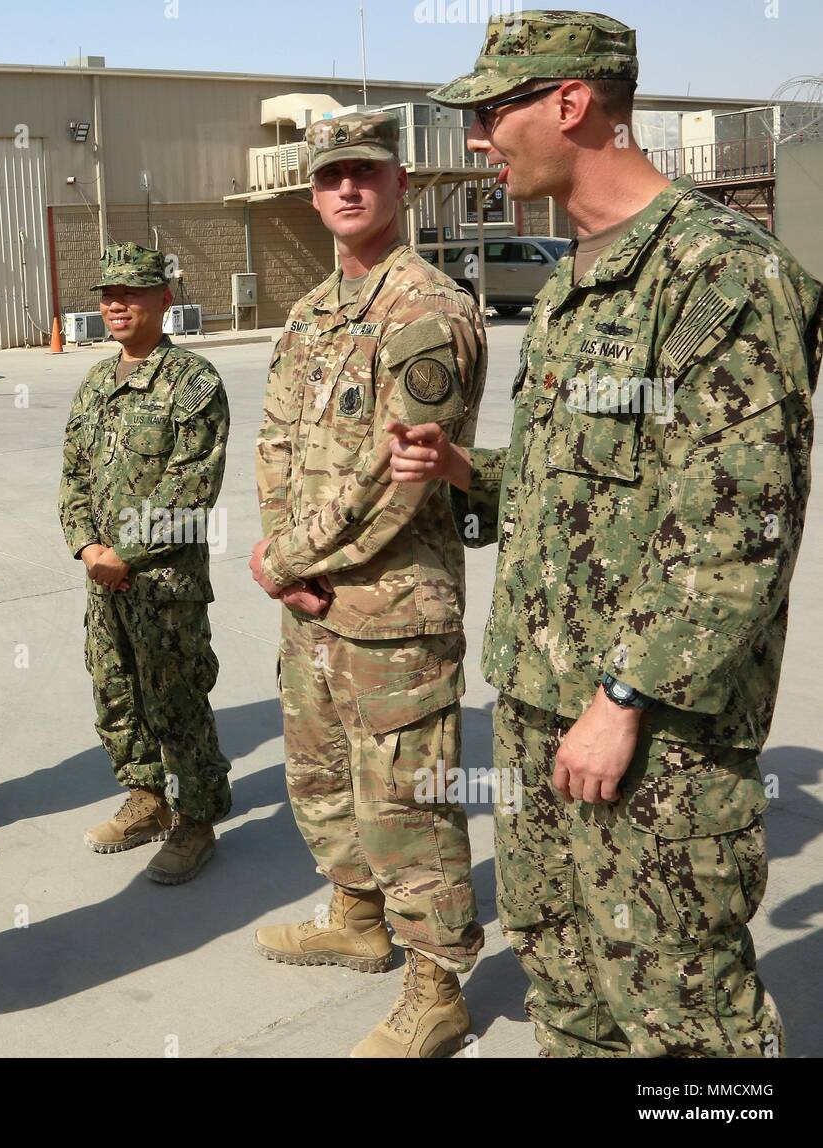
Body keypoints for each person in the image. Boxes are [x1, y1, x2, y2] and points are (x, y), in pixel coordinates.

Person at [395, 10, 821, 1057]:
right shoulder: (574, 281)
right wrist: (469, 473)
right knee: (569, 992)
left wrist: (623, 697)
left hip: (652, 738)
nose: (478, 142)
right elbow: (583, 493)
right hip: (544, 713)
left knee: (682, 1023)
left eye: (492, 114)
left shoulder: (720, 273)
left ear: (570, 104)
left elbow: (740, 531)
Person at [249, 110, 487, 1058]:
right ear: (311, 195)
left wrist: (294, 559)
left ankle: (439, 989)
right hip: (310, 600)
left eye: (366, 174)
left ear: (400, 186)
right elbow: (274, 442)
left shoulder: (425, 308)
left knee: (409, 800)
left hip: (394, 608)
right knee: (321, 776)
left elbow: (407, 471)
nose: (347, 189)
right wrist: (279, 557)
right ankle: (355, 919)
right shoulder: (312, 314)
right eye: (330, 176)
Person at [59, 241, 232, 885]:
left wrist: (122, 554)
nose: (116, 304)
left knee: (177, 697)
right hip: (103, 579)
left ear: (164, 299)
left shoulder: (192, 382)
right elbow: (73, 473)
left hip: (165, 583)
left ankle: (197, 821)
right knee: (115, 689)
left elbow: (192, 489)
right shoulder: (96, 382)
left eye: (131, 293)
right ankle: (146, 800)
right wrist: (86, 547)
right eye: (108, 294)